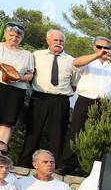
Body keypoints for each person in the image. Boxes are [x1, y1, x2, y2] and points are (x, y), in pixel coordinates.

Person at [64, 38, 111, 172]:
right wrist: (97, 55)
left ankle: (89, 167)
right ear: (94, 47)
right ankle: (67, 165)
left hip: (105, 104)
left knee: (101, 134)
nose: (104, 50)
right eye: (99, 47)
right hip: (85, 100)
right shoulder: (89, 64)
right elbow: (75, 63)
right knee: (76, 132)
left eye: (107, 48)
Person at [20, 30, 76, 166]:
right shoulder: (36, 55)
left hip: (60, 99)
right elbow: (30, 73)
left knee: (58, 133)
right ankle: (25, 161)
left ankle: (55, 164)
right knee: (33, 130)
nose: (58, 43)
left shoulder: (71, 60)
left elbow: (74, 83)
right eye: (55, 40)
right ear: (48, 41)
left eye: (61, 41)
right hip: (39, 97)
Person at [0, 23, 36, 155]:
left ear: (22, 38)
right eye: (11, 35)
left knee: (7, 121)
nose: (14, 38)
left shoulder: (27, 54)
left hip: (16, 90)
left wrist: (18, 78)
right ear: (5, 34)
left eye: (18, 36)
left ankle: (1, 151)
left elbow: (30, 74)